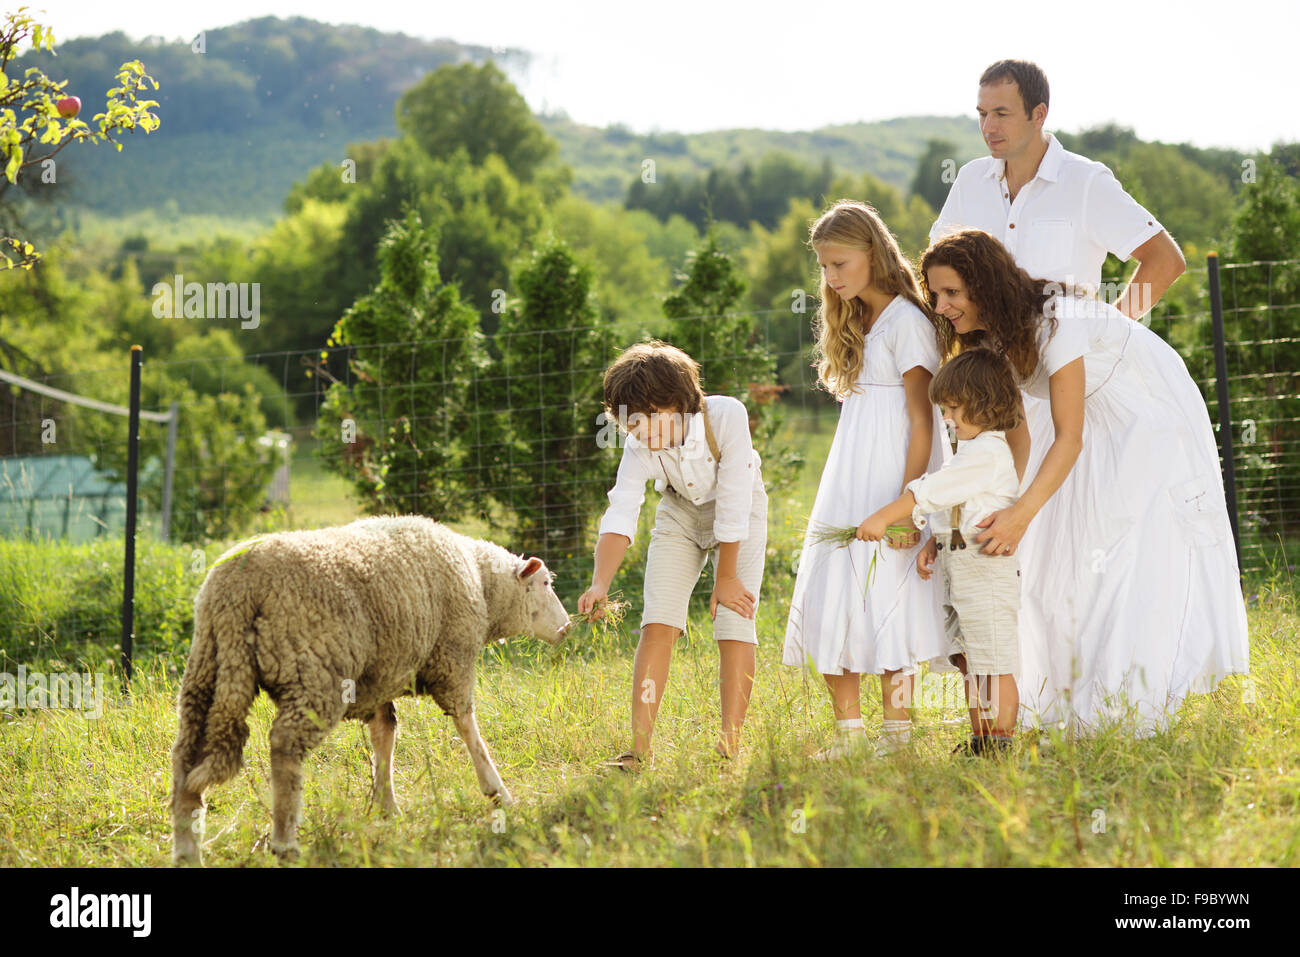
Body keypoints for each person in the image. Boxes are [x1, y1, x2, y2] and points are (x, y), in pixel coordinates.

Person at [919, 229, 1250, 735]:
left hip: (1142, 409)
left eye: (951, 293)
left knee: (1121, 547)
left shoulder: (1058, 322)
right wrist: (997, 509)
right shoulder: (988, 340)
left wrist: (1022, 515)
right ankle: (1070, 691)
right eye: (935, 294)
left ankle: (1130, 699)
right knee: (1062, 556)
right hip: (1088, 420)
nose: (941, 306)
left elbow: (1068, 438)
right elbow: (1017, 435)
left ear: (983, 286)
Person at [781, 200, 952, 759]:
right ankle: (850, 737)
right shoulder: (858, 317)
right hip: (850, 473)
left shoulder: (908, 321)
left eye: (840, 264)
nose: (830, 278)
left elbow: (922, 421)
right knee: (837, 589)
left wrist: (908, 506)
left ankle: (897, 738)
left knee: (890, 599)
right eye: (824, 267)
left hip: (892, 475)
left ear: (873, 254)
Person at [578, 341, 768, 768]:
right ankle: (639, 750)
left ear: (676, 402)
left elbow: (735, 499)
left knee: (734, 621)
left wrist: (727, 577)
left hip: (740, 514)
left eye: (647, 417)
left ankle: (729, 743)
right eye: (630, 424)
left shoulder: (727, 416)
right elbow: (622, 510)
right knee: (657, 623)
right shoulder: (640, 446)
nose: (639, 432)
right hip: (679, 514)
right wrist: (600, 583)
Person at [856, 349, 1024, 756]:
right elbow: (958, 504)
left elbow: (931, 491)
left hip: (984, 569)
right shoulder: (969, 451)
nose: (947, 418)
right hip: (961, 564)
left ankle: (999, 741)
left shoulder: (988, 452)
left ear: (984, 404)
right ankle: (982, 738)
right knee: (969, 659)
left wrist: (884, 516)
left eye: (953, 408)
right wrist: (935, 540)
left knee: (992, 660)